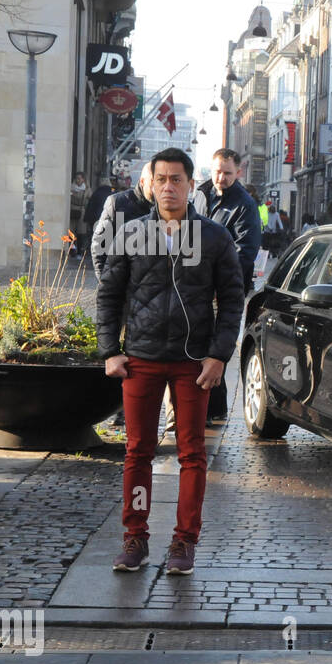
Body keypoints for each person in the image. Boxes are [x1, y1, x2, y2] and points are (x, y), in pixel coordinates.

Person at [97, 147, 244, 577]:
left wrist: (219, 355)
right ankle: (136, 538)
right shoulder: (132, 233)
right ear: (150, 183)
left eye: (176, 179)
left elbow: (233, 299)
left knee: (192, 455)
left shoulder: (214, 238)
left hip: (192, 362)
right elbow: (108, 293)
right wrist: (110, 350)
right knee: (137, 452)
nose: (167, 187)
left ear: (189, 183)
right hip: (140, 358)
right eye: (160, 179)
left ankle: (184, 542)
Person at [193, 148, 262, 423]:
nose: (221, 178)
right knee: (200, 340)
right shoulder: (200, 193)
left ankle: (212, 407)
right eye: (217, 171)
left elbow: (246, 251)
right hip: (196, 282)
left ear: (239, 172)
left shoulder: (245, 205)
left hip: (223, 287)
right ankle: (211, 406)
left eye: (227, 173)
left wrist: (217, 274)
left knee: (215, 344)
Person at [90, 162, 153, 281]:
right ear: (143, 181)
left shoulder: (166, 208)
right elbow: (99, 246)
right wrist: (106, 283)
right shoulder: (117, 203)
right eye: (153, 182)